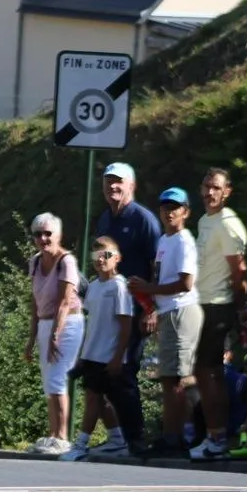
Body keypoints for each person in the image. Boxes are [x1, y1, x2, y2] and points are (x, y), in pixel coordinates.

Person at [130, 187, 203, 455]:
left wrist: (148, 290)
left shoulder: (184, 240)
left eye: (175, 207)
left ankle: (177, 438)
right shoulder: (164, 241)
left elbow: (185, 283)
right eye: (165, 206)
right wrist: (147, 293)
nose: (169, 211)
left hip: (181, 310)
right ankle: (172, 435)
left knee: (176, 379)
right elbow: (160, 280)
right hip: (168, 312)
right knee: (169, 377)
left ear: (186, 212)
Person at [93, 161, 160, 453]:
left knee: (125, 369)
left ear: (132, 185)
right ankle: (119, 438)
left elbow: (157, 265)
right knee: (107, 371)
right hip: (109, 307)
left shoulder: (144, 220)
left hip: (137, 306)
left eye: (119, 181)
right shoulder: (105, 220)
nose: (113, 187)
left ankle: (136, 439)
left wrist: (152, 309)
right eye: (108, 181)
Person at [189, 167, 247, 461]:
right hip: (201, 304)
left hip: (217, 305)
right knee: (206, 373)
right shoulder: (205, 220)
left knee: (208, 372)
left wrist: (239, 309)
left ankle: (217, 437)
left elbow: (239, 272)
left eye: (216, 188)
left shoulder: (228, 224)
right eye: (206, 186)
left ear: (227, 192)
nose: (210, 193)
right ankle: (217, 435)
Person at [60, 237, 138, 461]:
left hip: (109, 356)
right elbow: (93, 323)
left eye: (107, 255)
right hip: (92, 355)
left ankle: (81, 445)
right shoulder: (93, 287)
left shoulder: (119, 287)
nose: (101, 260)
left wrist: (117, 357)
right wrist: (83, 354)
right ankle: (116, 440)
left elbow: (125, 325)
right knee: (98, 400)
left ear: (117, 259)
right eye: (97, 256)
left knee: (94, 398)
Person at [23, 213, 84, 454]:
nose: (43, 238)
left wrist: (55, 336)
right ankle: (52, 433)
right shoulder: (35, 262)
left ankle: (62, 437)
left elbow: (64, 302)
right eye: (38, 234)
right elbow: (35, 302)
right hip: (46, 322)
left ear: (58, 235)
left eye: (48, 233)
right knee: (49, 383)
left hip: (67, 323)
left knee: (58, 379)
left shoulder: (66, 261)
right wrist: (32, 339)